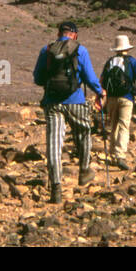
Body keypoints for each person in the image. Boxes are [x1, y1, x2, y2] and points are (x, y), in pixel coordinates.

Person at [33, 21, 104, 204]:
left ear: (59, 33)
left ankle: (56, 187)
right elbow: (89, 77)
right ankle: (84, 170)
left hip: (52, 103)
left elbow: (38, 78)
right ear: (75, 35)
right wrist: (99, 91)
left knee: (54, 144)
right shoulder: (81, 50)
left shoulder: (46, 50)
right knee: (84, 132)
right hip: (76, 101)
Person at [100, 34, 136, 167]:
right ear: (128, 48)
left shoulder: (110, 61)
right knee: (124, 126)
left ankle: (113, 154)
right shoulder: (132, 61)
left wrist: (102, 96)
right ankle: (120, 155)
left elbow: (101, 81)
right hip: (127, 98)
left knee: (113, 126)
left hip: (111, 98)